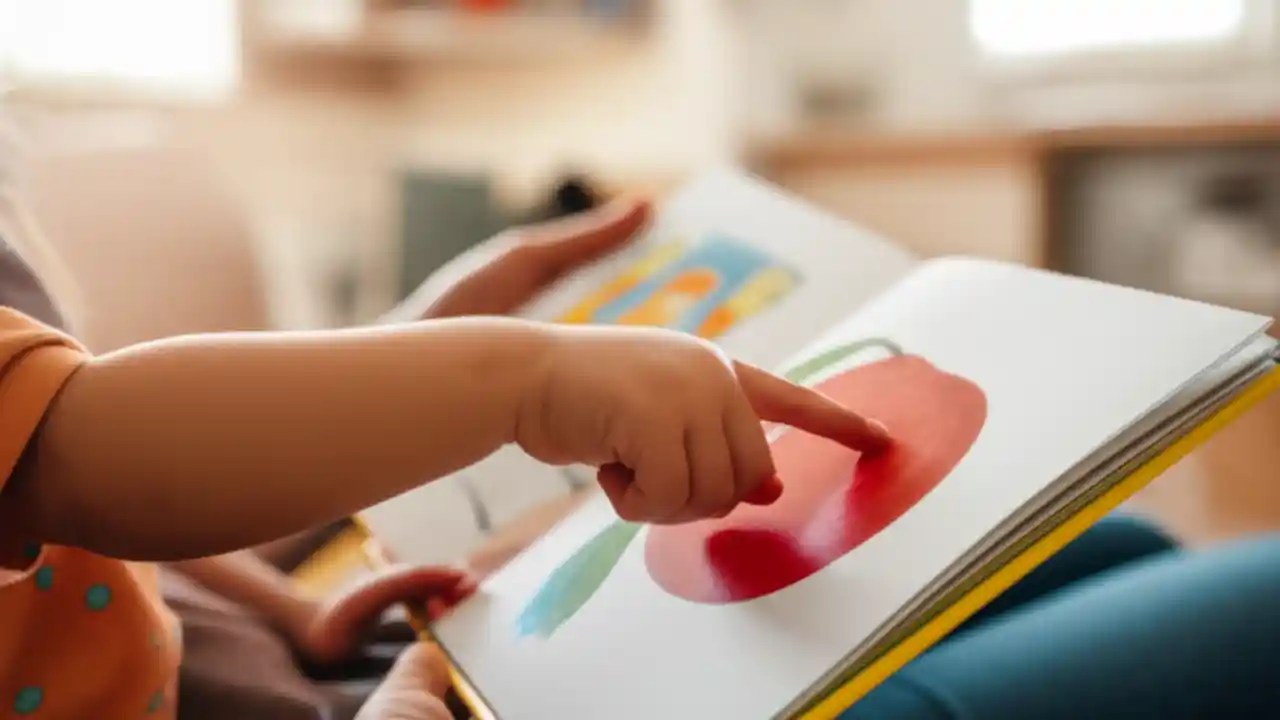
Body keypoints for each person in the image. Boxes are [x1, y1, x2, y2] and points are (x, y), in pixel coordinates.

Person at [0, 123, 889, 720]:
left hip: (272, 658)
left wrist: (292, 610)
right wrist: (526, 380)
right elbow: (76, 453)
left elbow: (66, 500)